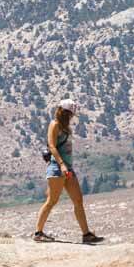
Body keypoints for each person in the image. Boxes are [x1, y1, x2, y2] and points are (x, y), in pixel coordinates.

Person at [33, 98, 104, 243]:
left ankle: (86, 234)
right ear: (62, 112)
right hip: (58, 168)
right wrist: (62, 164)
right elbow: (52, 146)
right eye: (69, 113)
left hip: (67, 167)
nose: (70, 116)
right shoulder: (55, 124)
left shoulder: (65, 127)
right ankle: (38, 232)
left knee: (78, 200)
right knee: (51, 201)